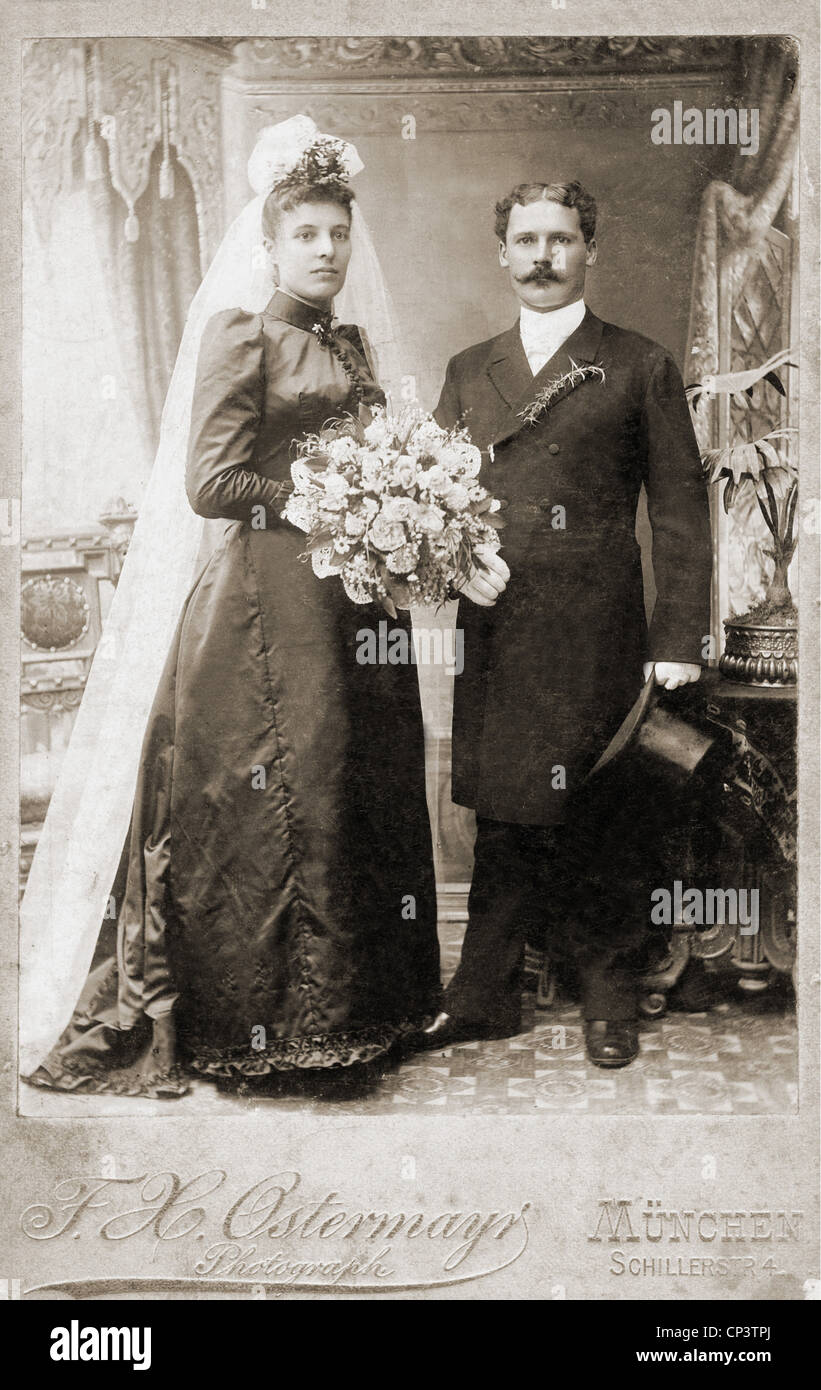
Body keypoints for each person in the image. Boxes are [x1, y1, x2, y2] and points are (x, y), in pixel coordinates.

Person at [20, 118, 440, 1098]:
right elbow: (211, 482)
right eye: (306, 235)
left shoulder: (353, 343)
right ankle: (270, 1033)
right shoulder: (238, 333)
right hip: (262, 602)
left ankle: (361, 1018)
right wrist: (321, 497)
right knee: (281, 800)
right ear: (271, 242)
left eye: (338, 233)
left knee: (353, 790)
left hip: (347, 601)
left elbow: (372, 455)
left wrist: (396, 498)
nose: (326, 250)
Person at [417, 179, 713, 1068]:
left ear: (591, 252)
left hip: (599, 631)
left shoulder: (638, 364)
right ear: (501, 254)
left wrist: (677, 641)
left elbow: (680, 515)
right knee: (505, 816)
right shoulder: (470, 370)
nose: (542, 256)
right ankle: (482, 996)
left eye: (562, 239)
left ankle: (608, 998)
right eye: (525, 240)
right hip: (499, 628)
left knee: (605, 812)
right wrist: (457, 562)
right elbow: (433, 499)